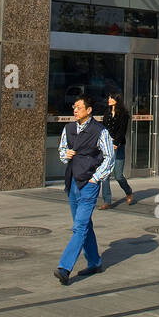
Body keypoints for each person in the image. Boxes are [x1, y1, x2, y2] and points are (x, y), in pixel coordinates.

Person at [55, 96, 114, 285]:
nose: (75, 110)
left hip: (89, 184)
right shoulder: (69, 128)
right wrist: (66, 154)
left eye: (79, 107)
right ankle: (95, 262)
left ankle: (64, 267)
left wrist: (96, 178)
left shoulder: (99, 131)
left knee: (79, 226)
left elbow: (109, 157)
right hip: (72, 182)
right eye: (74, 107)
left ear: (89, 111)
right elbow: (62, 149)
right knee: (84, 224)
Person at [99, 92, 134, 209]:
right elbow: (103, 127)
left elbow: (122, 130)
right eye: (108, 97)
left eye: (111, 98)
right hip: (107, 146)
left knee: (118, 176)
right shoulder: (107, 112)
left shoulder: (124, 114)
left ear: (117, 100)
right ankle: (107, 201)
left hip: (118, 146)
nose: (109, 99)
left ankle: (128, 191)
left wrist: (116, 142)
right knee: (106, 174)